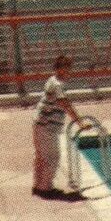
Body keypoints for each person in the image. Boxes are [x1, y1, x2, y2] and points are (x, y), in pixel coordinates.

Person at [33, 55, 83, 200]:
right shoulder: (58, 86)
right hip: (46, 127)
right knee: (52, 157)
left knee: (42, 157)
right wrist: (80, 122)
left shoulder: (52, 80)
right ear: (60, 69)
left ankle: (39, 186)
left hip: (41, 124)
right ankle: (45, 189)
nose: (69, 73)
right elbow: (65, 105)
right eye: (67, 69)